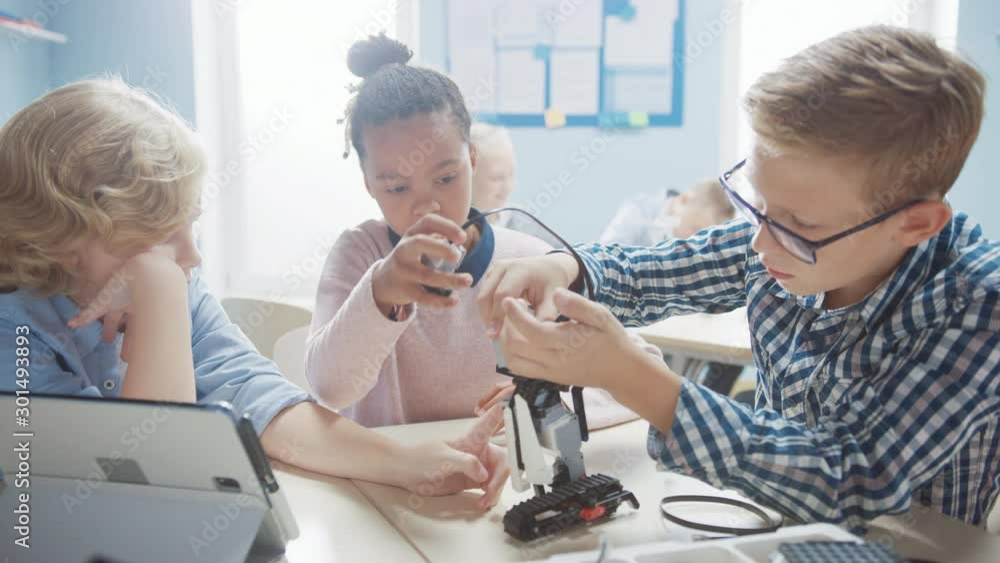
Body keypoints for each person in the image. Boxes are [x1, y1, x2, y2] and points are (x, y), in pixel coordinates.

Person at [477, 26, 999, 531]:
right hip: (782, 530)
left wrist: (635, 378)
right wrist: (563, 268)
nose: (760, 243)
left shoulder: (978, 303)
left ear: (914, 225)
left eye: (800, 226)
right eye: (758, 204)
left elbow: (853, 478)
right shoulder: (783, 239)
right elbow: (645, 275)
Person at [0, 78, 507, 510]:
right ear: (64, 239)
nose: (190, 260)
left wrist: (405, 464)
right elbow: (150, 491)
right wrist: (159, 292)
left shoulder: (177, 281)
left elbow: (258, 398)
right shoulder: (14, 333)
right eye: (158, 236)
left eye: (190, 227)